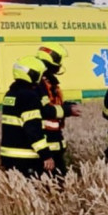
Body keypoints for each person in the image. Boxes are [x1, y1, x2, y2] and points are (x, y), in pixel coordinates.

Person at [0, 56, 53, 177]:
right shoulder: (29, 96)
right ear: (33, 75)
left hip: (9, 156)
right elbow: (32, 128)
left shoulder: (10, 94)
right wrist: (46, 155)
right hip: (26, 157)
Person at [34, 44, 80, 177]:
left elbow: (53, 104)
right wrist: (66, 110)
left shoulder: (49, 81)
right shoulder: (39, 83)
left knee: (59, 180)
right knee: (51, 181)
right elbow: (44, 110)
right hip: (45, 141)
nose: (60, 65)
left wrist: (66, 106)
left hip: (54, 140)